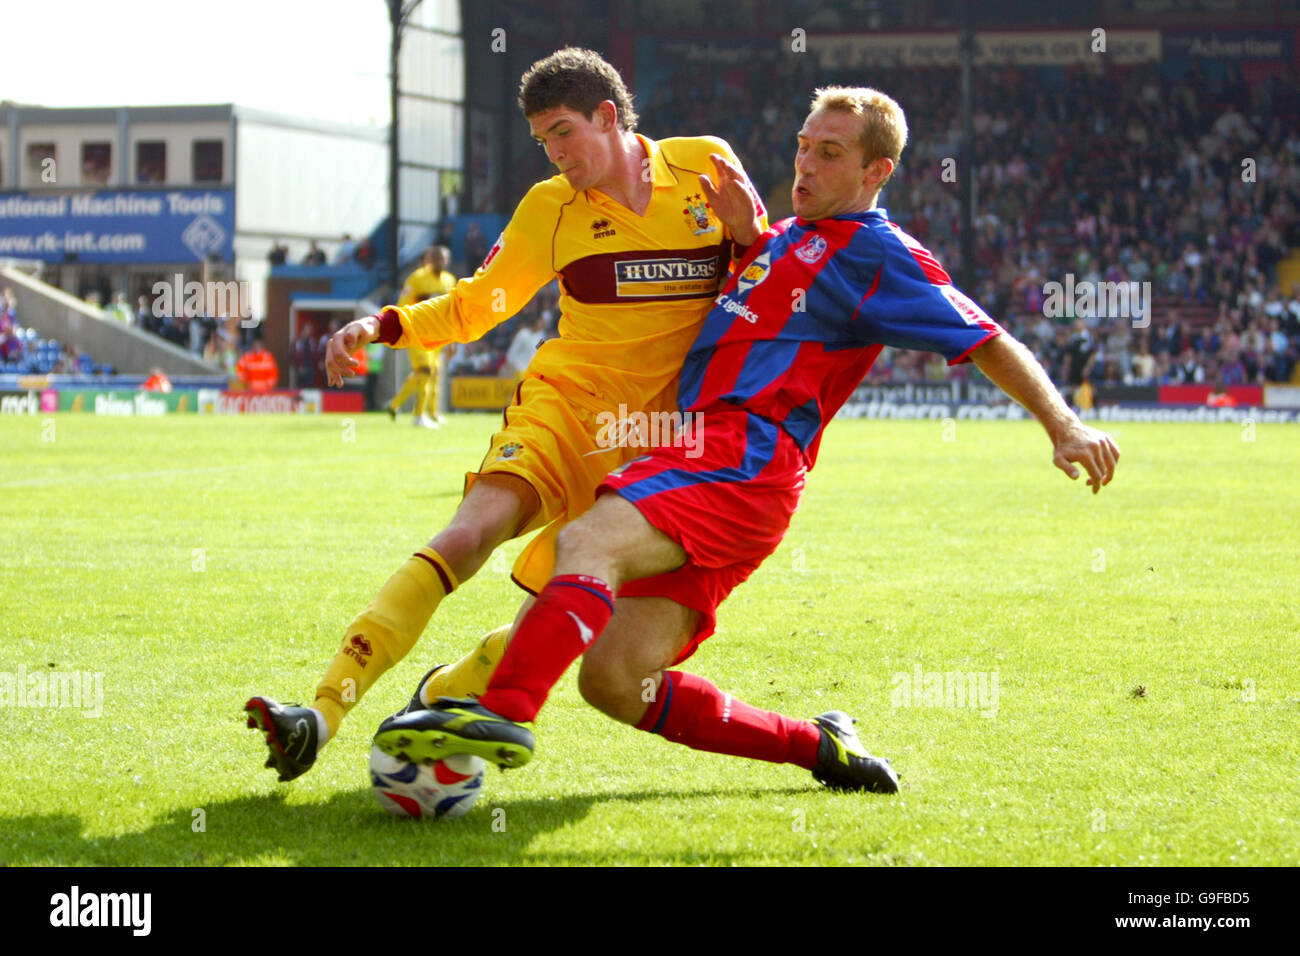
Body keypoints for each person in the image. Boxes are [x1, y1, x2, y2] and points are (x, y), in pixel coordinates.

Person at [376, 86, 1120, 793]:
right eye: (802, 145)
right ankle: (821, 746)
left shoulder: (876, 252)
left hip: (743, 457)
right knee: (615, 682)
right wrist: (745, 236)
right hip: (705, 462)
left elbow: (983, 335)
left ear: (876, 171)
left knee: (589, 540)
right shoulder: (784, 240)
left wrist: (1065, 424)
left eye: (830, 153)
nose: (804, 162)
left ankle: (501, 711)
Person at [245, 47, 764, 782]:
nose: (554, 155)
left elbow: (766, 286)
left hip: (660, 440)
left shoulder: (705, 165)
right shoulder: (549, 208)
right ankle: (321, 713)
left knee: (568, 604)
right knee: (470, 530)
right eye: (542, 141)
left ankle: (448, 691)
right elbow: (474, 304)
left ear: (607, 116)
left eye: (562, 133)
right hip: (566, 407)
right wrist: (385, 326)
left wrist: (746, 237)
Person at [385, 246, 457, 428]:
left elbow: (453, 310)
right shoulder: (416, 278)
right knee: (425, 371)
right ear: (429, 259)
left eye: (443, 259)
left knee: (432, 373)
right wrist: (400, 329)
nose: (440, 262)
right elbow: (402, 303)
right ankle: (419, 416)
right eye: (436, 258)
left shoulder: (450, 281)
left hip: (439, 334)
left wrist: (453, 338)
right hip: (417, 331)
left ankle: (404, 407)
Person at [502, 312, 548, 377]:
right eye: (541, 322)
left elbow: (538, 349)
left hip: (533, 371)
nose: (543, 324)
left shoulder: (542, 336)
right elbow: (513, 349)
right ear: (535, 322)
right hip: (519, 369)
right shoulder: (523, 334)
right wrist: (509, 363)